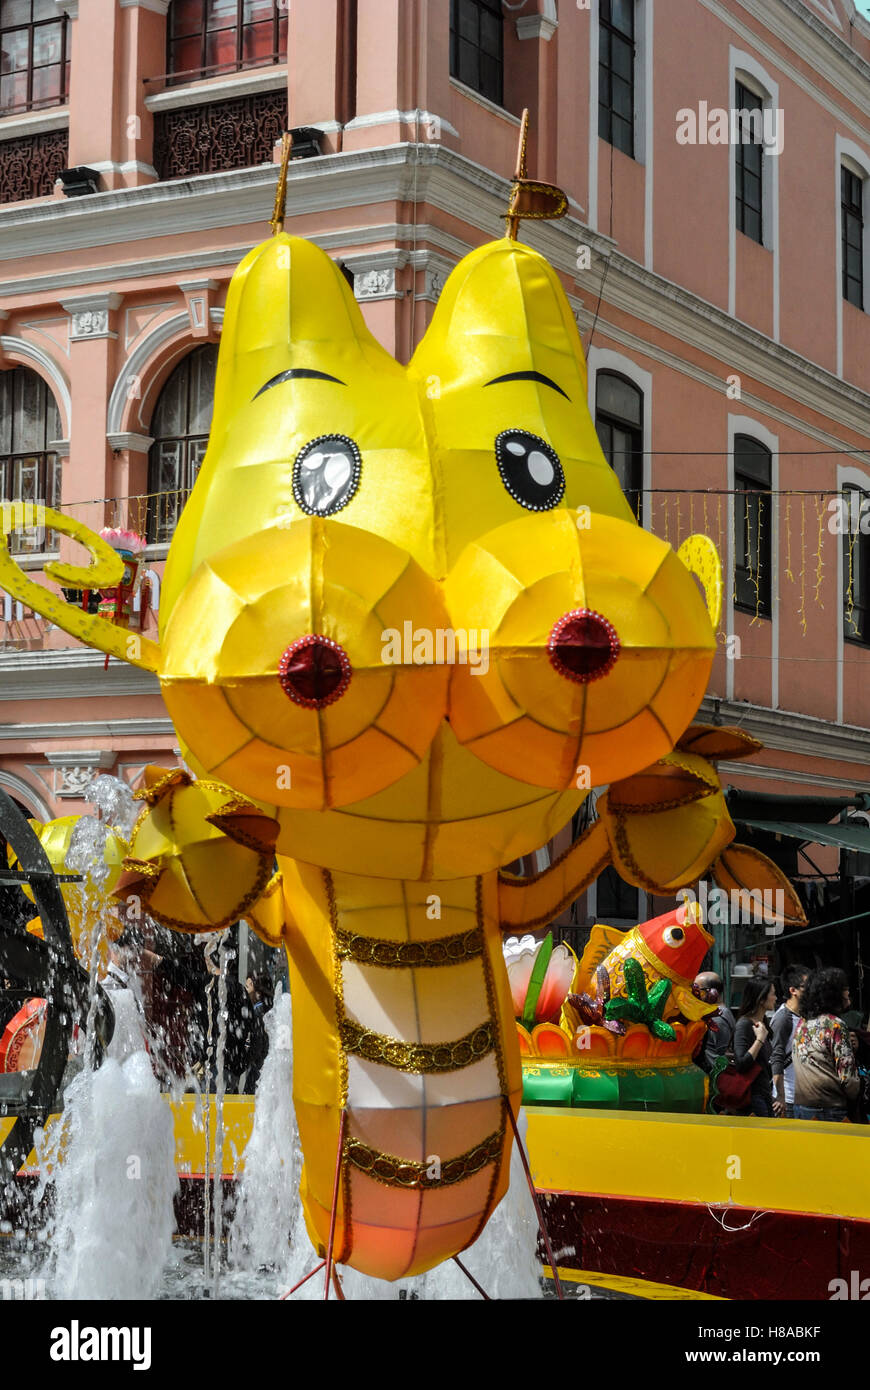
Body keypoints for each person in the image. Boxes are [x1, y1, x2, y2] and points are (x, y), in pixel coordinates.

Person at [792, 967, 859, 1122]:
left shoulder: (803, 1023)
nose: (848, 993)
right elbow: (848, 1078)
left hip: (801, 1106)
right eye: (844, 989)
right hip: (829, 1109)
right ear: (834, 993)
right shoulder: (835, 1025)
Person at [733, 977, 777, 1117]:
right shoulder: (744, 1025)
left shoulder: (763, 1023)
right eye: (772, 994)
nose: (775, 998)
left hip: (765, 1094)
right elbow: (741, 1063)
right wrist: (759, 1039)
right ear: (761, 999)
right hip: (752, 1097)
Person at [770, 963, 809, 1118]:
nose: (812, 990)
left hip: (803, 1096)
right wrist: (780, 1096)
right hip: (789, 1099)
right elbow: (776, 1058)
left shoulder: (804, 1015)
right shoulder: (783, 1019)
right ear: (793, 991)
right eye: (807, 986)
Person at [692, 970, 736, 1072]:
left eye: (698, 990)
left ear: (712, 993)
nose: (695, 993)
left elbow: (722, 1055)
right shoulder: (720, 1013)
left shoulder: (718, 1018)